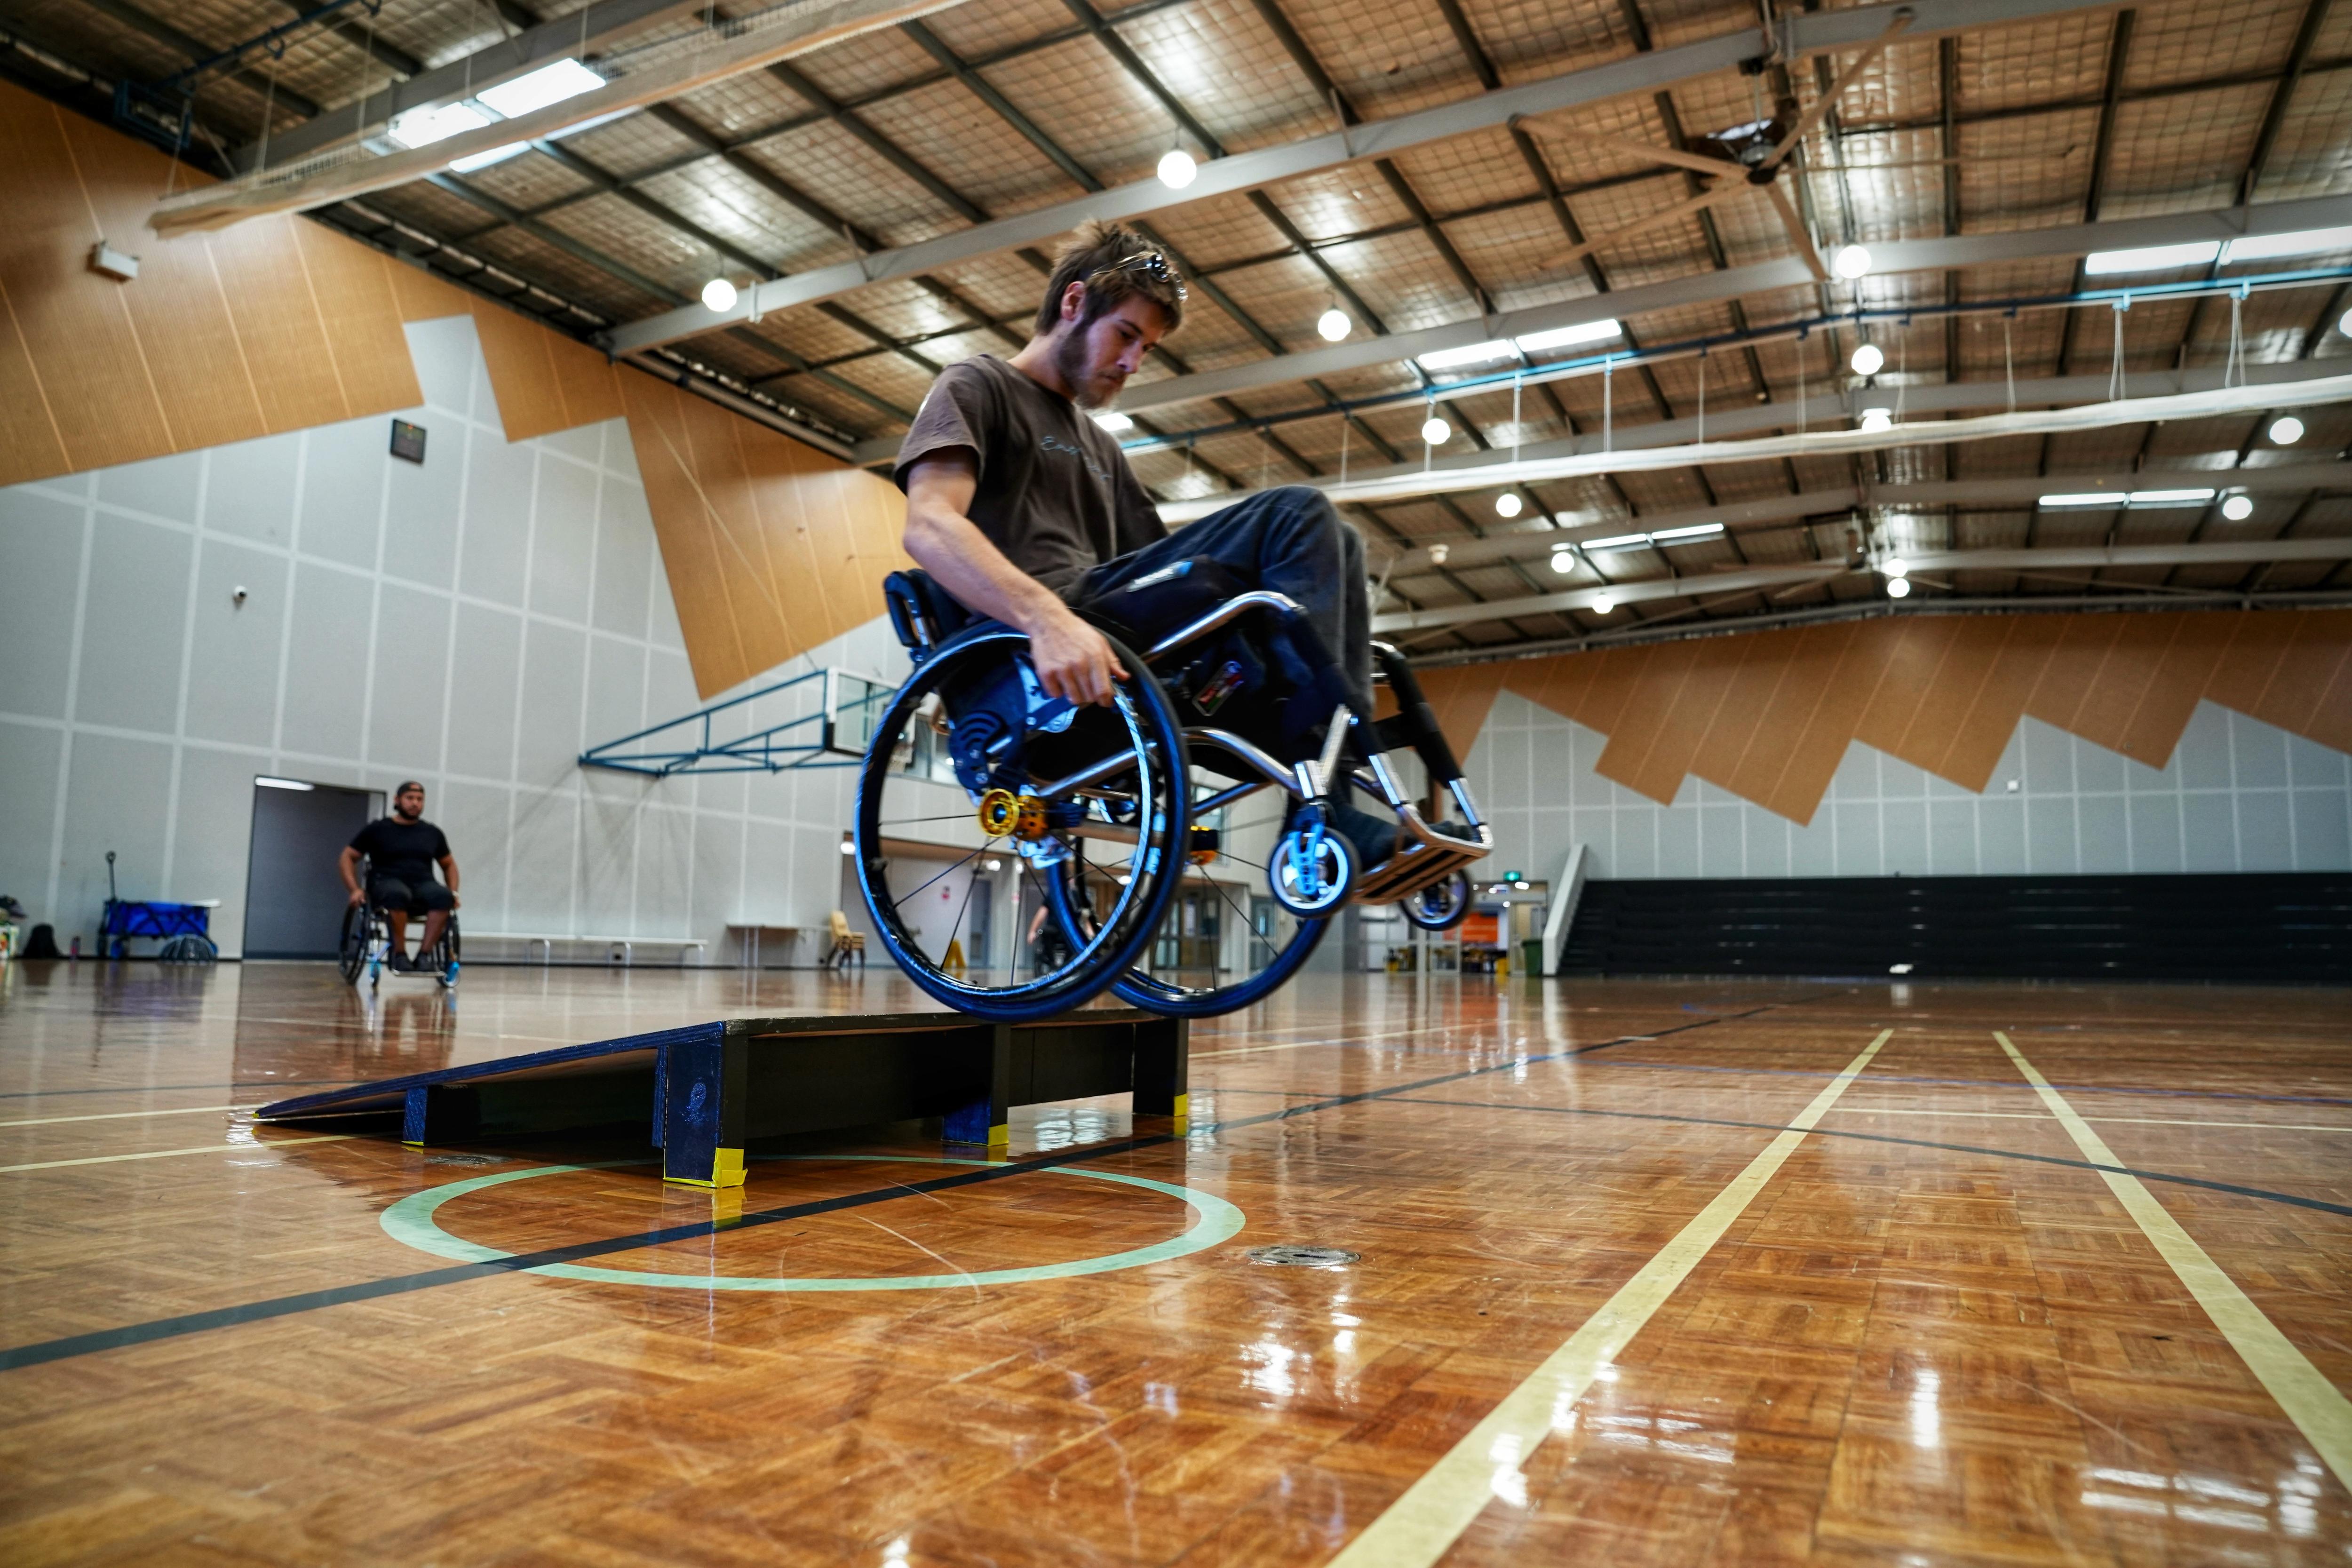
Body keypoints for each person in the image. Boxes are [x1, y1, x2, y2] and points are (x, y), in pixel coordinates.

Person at [893, 220, 1399, 864]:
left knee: (1340, 543)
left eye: (1147, 349)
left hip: (1114, 625)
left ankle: (1325, 783)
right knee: (1296, 513)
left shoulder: (1101, 447)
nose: (1132, 363)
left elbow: (1167, 573)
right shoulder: (978, 386)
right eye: (1125, 335)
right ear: (1073, 303)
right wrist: (1046, 618)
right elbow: (929, 525)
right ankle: (1322, 802)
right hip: (1042, 630)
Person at [340, 781, 459, 972]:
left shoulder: (432, 833)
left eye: (419, 799)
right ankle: (399, 955)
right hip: (385, 883)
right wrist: (354, 889)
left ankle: (424, 956)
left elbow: (449, 864)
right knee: (397, 894)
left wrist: (454, 892)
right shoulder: (378, 829)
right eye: (410, 798)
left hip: (422, 885)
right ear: (397, 800)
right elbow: (348, 857)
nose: (415, 803)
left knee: (444, 897)